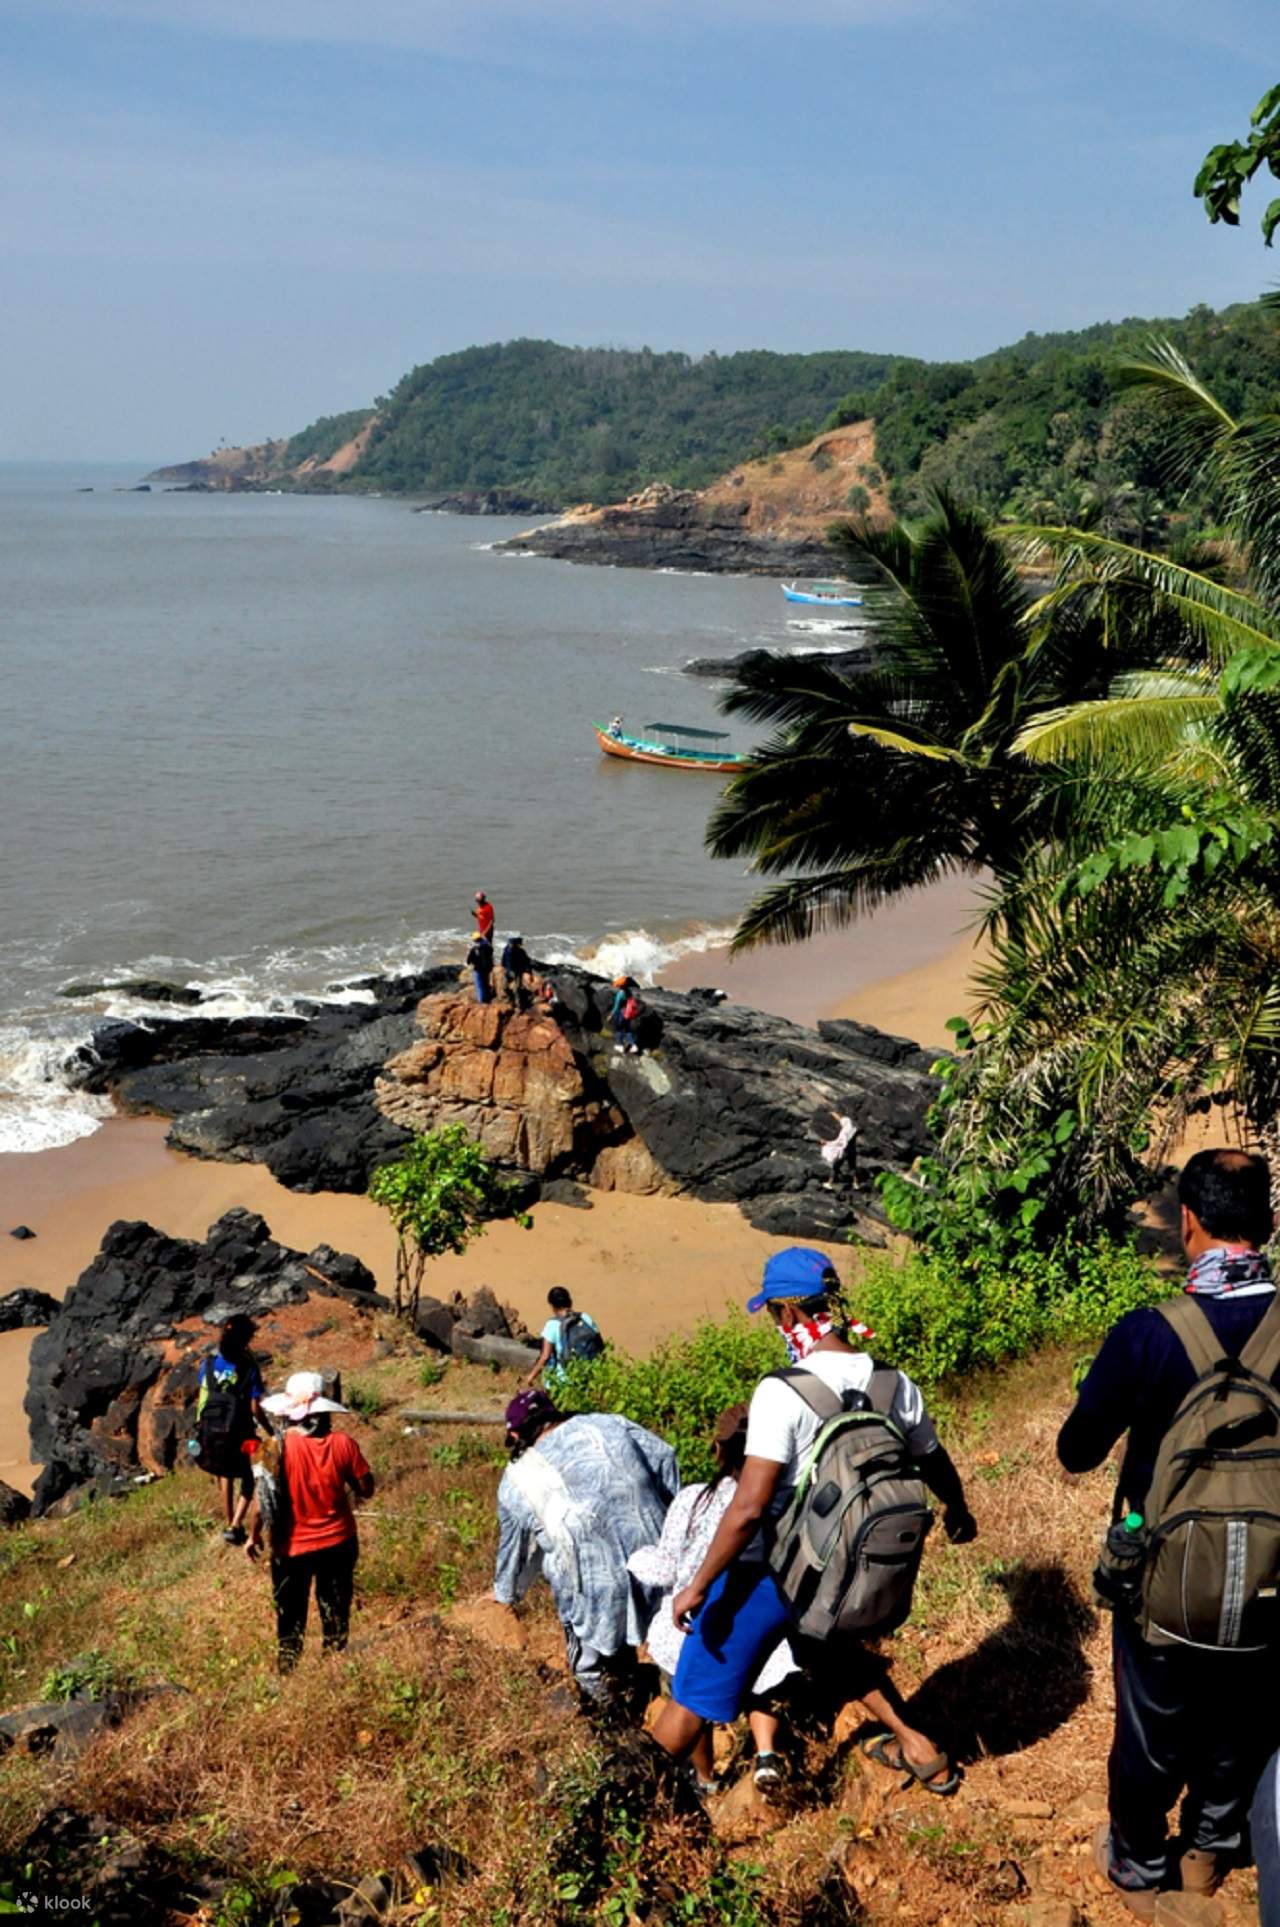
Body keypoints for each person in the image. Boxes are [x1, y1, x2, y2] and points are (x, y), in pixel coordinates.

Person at [651, 1247, 976, 1795]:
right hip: (851, 1573)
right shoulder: (894, 1383)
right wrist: (959, 1511)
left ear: (792, 1314)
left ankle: (632, 1809)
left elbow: (749, 1507)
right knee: (834, 1649)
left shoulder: (782, 1392)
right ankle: (920, 1749)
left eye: (775, 1314)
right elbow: (934, 1459)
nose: (776, 1326)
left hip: (779, 1575)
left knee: (693, 1687)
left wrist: (698, 1587)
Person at [1058, 1147, 1280, 1919]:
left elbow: (1076, 1450)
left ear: (1187, 1224)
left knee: (1151, 1721)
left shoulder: (1148, 1333)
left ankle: (1138, 1855)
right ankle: (1209, 1851)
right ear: (1270, 1223)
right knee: (1246, 1709)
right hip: (1271, 1579)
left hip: (1164, 1576)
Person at [628, 1403, 799, 1795]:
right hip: (766, 1617)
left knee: (690, 1702)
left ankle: (705, 1779)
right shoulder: (782, 1500)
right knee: (762, 1684)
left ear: (719, 1450)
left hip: (700, 1622)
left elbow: (668, 1568)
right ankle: (767, 1754)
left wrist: (635, 1559)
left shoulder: (694, 1500)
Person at [492, 1388, 678, 1705]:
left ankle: (613, 1717)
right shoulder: (610, 1423)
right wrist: (673, 1516)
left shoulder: (516, 1479)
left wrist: (505, 1594)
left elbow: (515, 1551)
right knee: (673, 1646)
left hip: (595, 1592)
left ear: (515, 1434)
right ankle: (684, 1710)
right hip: (659, 1562)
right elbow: (666, 1456)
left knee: (591, 1666)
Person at [246, 1370, 374, 1673]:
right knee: (335, 1611)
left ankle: (288, 1670)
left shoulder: (270, 1449)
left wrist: (254, 1537)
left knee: (290, 1617)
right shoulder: (343, 1444)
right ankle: (334, 1667)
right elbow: (366, 1487)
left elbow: (259, 1507)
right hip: (339, 1542)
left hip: (290, 1550)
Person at [195, 1313, 264, 1545]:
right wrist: (268, 1429)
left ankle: (227, 1520)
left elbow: (203, 1391)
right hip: (241, 1432)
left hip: (211, 1430)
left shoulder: (208, 1363)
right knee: (249, 1476)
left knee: (225, 1473)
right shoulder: (249, 1367)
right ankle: (236, 1524)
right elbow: (255, 1408)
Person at [524, 1286, 603, 1387]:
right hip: (587, 1375)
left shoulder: (552, 1325)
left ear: (552, 1306)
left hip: (562, 1381)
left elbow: (545, 1357)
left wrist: (531, 1377)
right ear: (569, 1300)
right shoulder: (585, 1317)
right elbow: (599, 1343)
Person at [819, 1113, 857, 1189]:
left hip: (845, 1152)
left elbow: (840, 1143)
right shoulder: (853, 1130)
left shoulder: (844, 1132)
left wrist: (827, 1143)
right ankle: (855, 1183)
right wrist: (835, 1114)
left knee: (835, 1167)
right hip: (853, 1151)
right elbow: (841, 1120)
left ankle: (829, 1183)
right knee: (852, 1167)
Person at [501, 934, 534, 1012]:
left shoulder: (520, 952)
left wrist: (529, 972)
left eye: (512, 944)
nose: (511, 945)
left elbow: (527, 962)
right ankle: (510, 998)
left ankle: (519, 1006)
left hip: (517, 972)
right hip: (508, 971)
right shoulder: (506, 950)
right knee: (504, 987)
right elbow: (503, 959)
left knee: (517, 989)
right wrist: (503, 967)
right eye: (510, 944)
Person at [466, 929, 494, 1004]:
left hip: (478, 969)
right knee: (486, 983)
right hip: (487, 968)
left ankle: (481, 1001)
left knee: (479, 985)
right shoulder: (487, 946)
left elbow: (468, 960)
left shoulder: (474, 949)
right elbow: (491, 952)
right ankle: (488, 999)